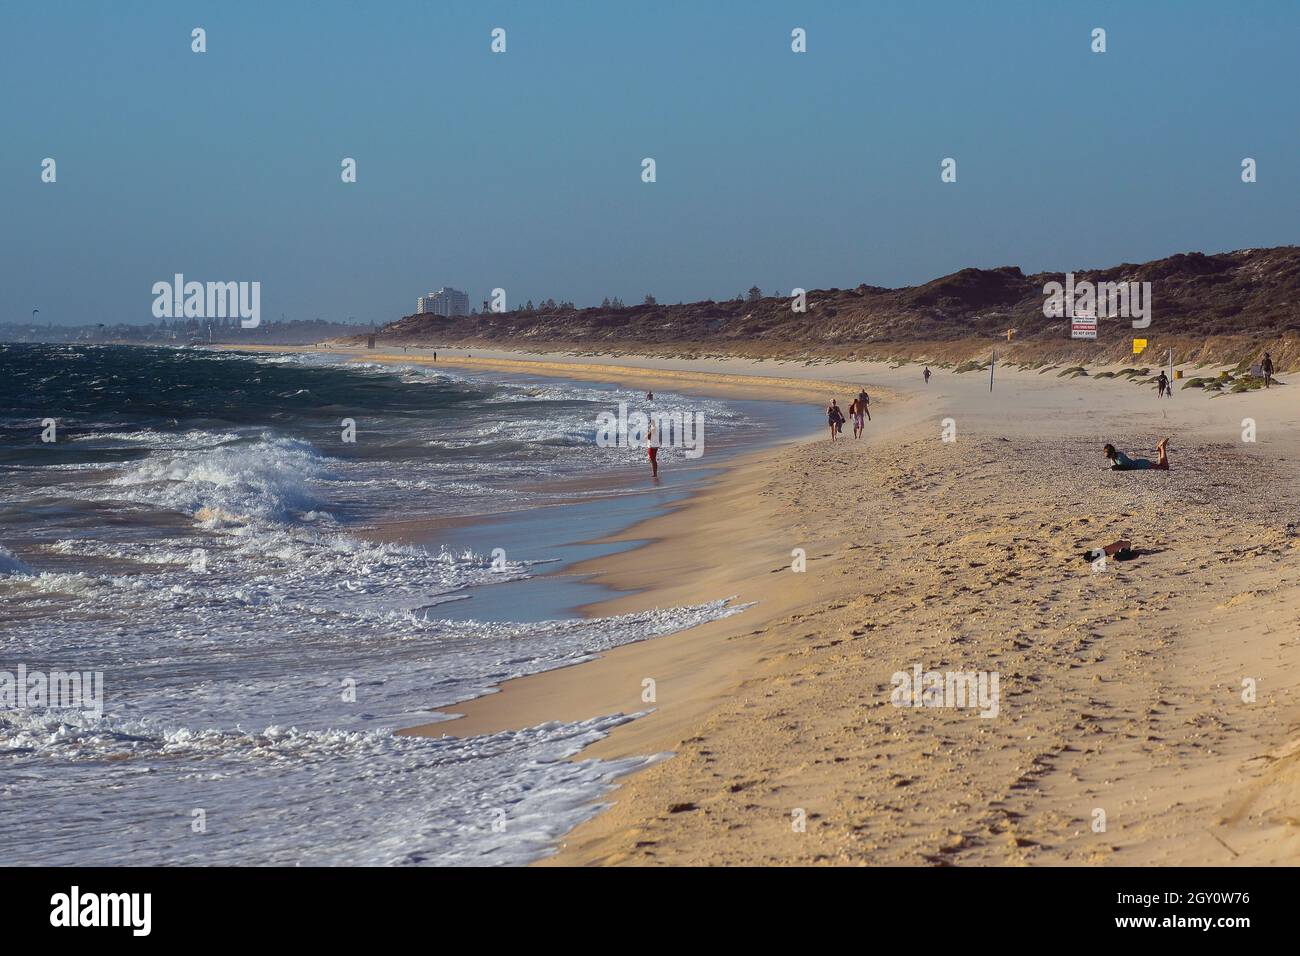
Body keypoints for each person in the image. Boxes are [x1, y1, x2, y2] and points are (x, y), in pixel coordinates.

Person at [1104, 438, 1170, 471]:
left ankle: (1162, 447)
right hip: (1140, 463)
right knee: (1160, 466)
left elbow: (1124, 468)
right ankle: (1160, 449)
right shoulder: (1117, 456)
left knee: (1165, 468)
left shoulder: (1119, 458)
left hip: (1142, 465)